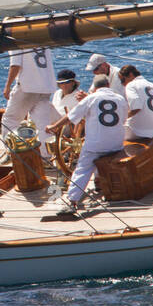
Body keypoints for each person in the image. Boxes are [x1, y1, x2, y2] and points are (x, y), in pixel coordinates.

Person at [48, 74, 128, 214]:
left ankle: (72, 201)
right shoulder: (120, 99)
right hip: (116, 144)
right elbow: (124, 118)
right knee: (103, 158)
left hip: (95, 145)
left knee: (82, 170)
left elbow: (70, 117)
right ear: (108, 86)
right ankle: (99, 184)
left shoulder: (91, 98)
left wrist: (53, 126)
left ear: (96, 88)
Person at [1, 45, 58, 157]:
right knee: (42, 125)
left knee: (10, 120)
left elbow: (16, 65)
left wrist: (7, 86)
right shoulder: (40, 40)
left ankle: (11, 153)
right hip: (46, 86)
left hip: (28, 87)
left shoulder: (15, 40)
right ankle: (46, 156)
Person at [118, 65, 153, 143]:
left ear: (130, 75)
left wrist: (121, 118)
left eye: (122, 80)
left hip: (141, 132)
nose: (122, 84)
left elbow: (136, 108)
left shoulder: (131, 85)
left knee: (110, 129)